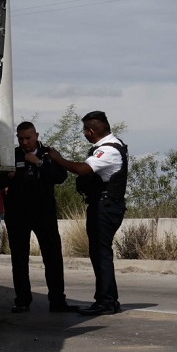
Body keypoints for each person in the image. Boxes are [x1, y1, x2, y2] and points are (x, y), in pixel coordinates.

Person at [0, 122, 76, 313]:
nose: (25, 142)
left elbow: (60, 177)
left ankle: (57, 301)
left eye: (28, 138)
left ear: (36, 135)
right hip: (17, 213)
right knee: (19, 259)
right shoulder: (12, 155)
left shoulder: (48, 154)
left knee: (52, 256)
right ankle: (22, 299)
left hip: (43, 213)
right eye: (21, 138)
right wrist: (8, 176)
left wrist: (39, 163)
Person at [46, 111, 127, 316]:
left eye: (84, 130)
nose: (83, 134)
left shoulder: (108, 150)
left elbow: (82, 169)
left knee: (101, 254)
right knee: (99, 253)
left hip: (105, 207)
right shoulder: (112, 145)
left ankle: (106, 302)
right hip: (104, 205)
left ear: (91, 131)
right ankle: (107, 299)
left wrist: (58, 158)